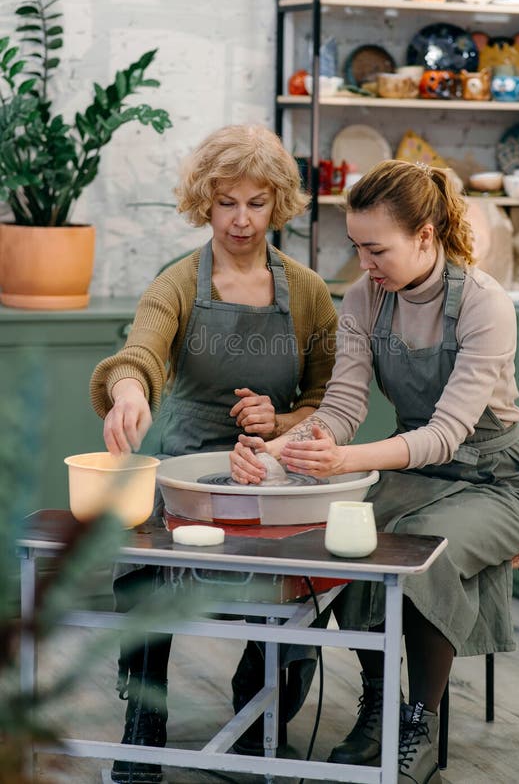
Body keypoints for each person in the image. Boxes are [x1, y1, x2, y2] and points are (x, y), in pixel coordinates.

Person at [230, 159, 519, 784]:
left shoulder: (486, 305)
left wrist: (345, 460)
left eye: (377, 249)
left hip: (494, 479)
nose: (364, 263)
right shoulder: (364, 298)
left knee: (422, 554)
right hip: (413, 471)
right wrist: (270, 455)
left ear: (426, 235)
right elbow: (344, 407)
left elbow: (446, 435)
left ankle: (417, 724)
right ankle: (376, 700)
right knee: (340, 539)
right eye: (356, 248)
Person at [90, 123, 337, 784]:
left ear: (278, 203)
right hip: (186, 465)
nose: (240, 219)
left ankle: (260, 705)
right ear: (205, 201)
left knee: (310, 580)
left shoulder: (310, 293)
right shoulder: (176, 282)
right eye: (227, 202)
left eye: (256, 203)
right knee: (145, 569)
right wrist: (127, 395)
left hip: (278, 472)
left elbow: (331, 398)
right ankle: (145, 719)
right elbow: (139, 352)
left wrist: (281, 419)